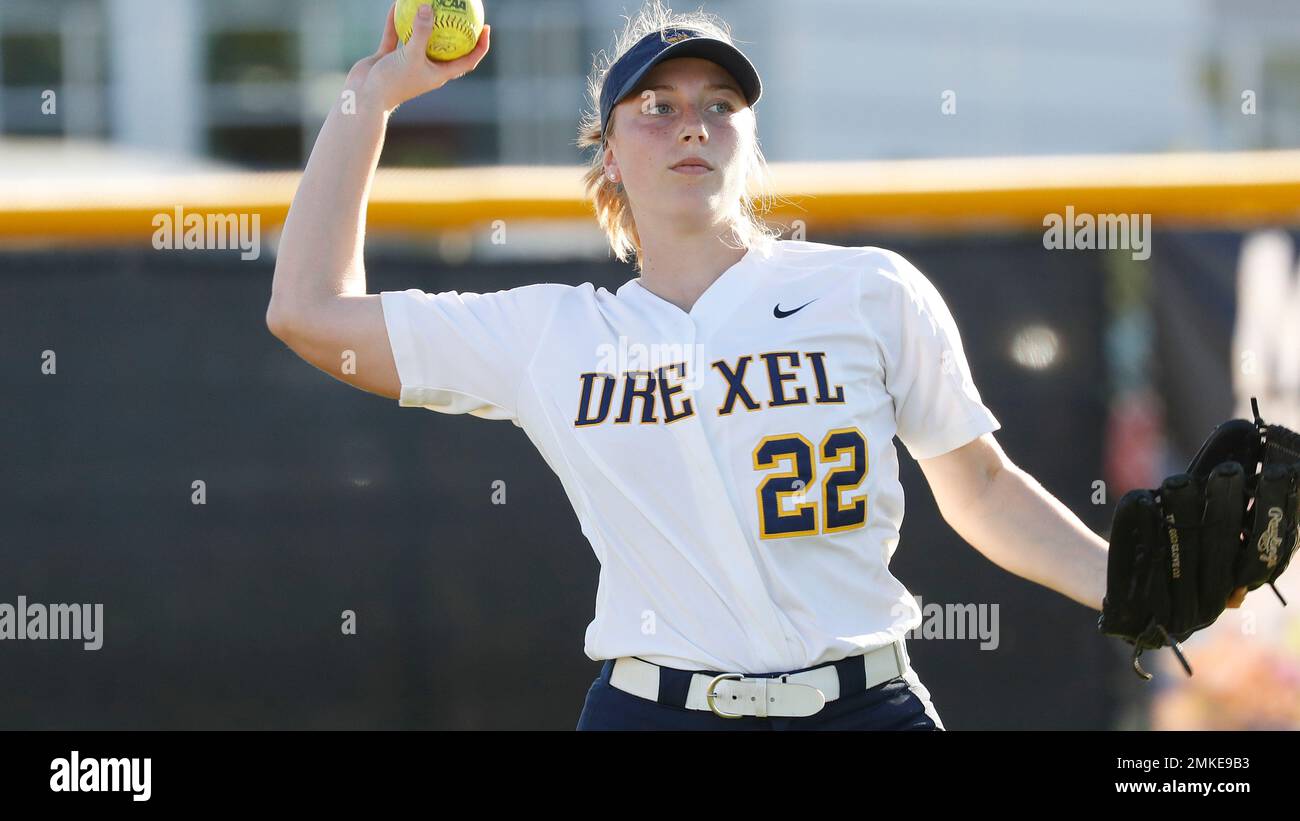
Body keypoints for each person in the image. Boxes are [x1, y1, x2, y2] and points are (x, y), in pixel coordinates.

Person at [266, 0, 1246, 730]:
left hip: (861, 704)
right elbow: (308, 310)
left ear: (748, 137)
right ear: (607, 154)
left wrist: (1134, 585)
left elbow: (981, 489)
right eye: (654, 105)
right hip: (655, 709)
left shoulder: (866, 289)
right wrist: (370, 94)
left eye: (719, 102)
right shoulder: (549, 335)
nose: (691, 120)